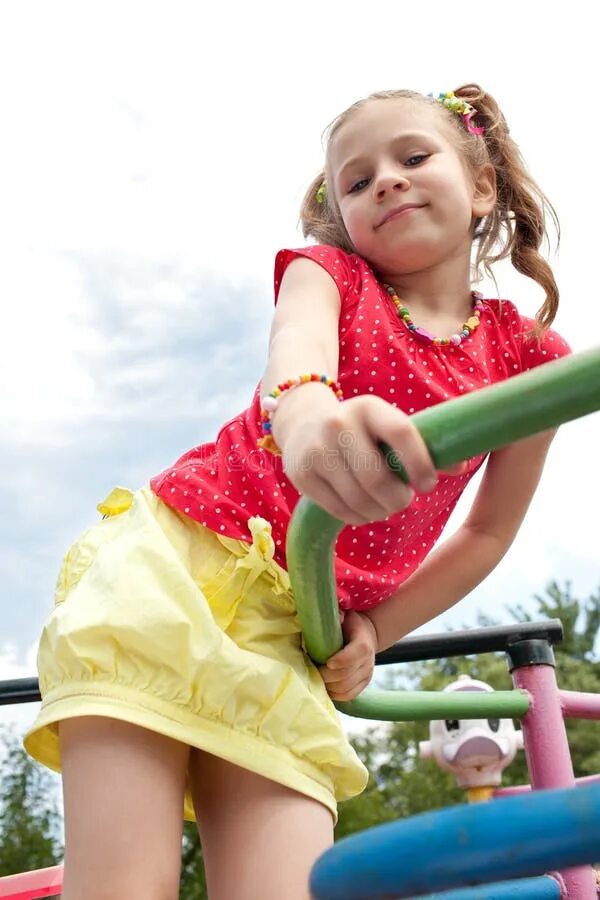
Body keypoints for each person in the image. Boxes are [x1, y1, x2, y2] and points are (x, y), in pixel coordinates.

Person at [23, 84, 570, 900]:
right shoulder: (331, 277)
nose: (385, 179)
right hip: (176, 584)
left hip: (295, 641)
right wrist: (311, 419)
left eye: (413, 158)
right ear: (339, 216)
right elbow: (298, 365)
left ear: (482, 185)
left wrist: (378, 628)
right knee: (124, 885)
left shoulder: (528, 358)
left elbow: (488, 533)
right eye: (356, 180)